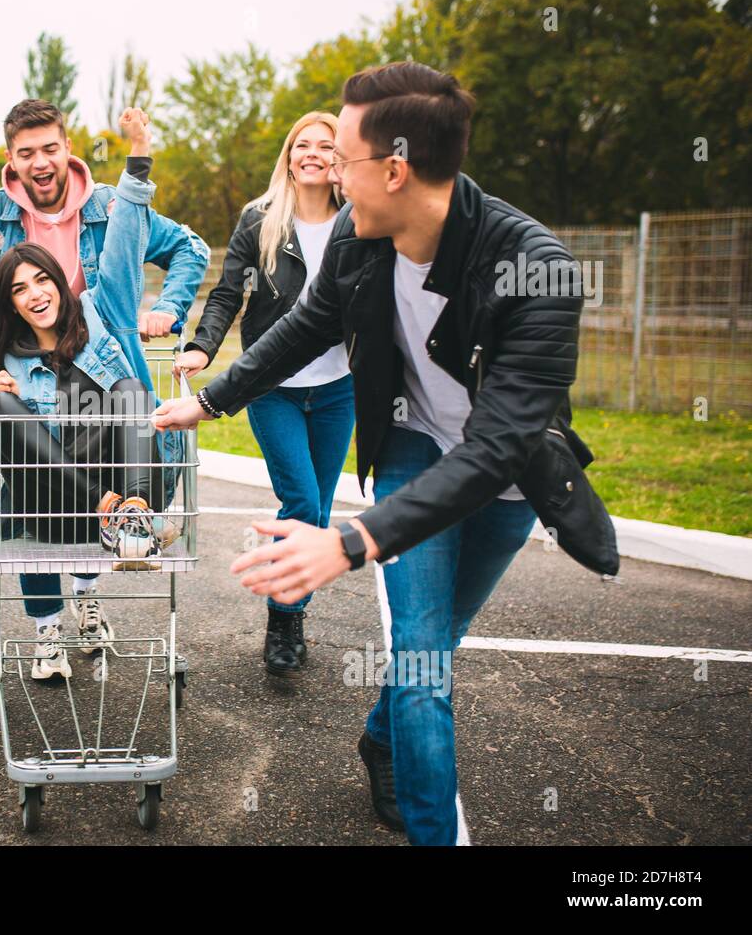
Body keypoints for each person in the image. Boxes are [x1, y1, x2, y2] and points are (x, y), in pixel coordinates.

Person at [154, 61, 618, 845]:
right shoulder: (357, 237)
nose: (332, 173)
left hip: (505, 476)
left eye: (344, 158)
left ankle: (381, 735)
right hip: (409, 446)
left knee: (429, 648)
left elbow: (500, 445)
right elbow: (305, 325)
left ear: (394, 169)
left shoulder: (536, 269)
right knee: (425, 667)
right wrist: (209, 400)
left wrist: (351, 540)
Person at [0, 98, 208, 651]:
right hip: (50, 486)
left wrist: (168, 308)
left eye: (49, 148)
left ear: (68, 149)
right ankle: (48, 626)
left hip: (106, 441)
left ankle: (121, 536)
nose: (39, 161)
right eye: (26, 153)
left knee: (131, 391)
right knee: (10, 421)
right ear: (10, 159)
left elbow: (148, 248)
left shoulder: (98, 302)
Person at [174, 110, 355, 680]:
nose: (313, 154)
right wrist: (204, 346)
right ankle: (285, 622)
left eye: (326, 146)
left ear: (340, 158)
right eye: (303, 145)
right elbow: (229, 294)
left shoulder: (359, 218)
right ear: (289, 154)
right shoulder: (261, 219)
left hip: (338, 387)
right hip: (273, 387)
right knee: (301, 501)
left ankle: (290, 611)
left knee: (319, 511)